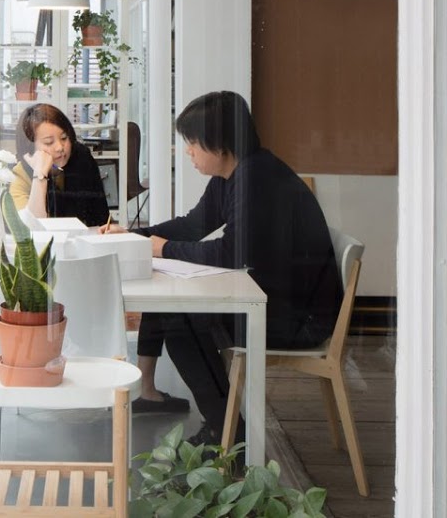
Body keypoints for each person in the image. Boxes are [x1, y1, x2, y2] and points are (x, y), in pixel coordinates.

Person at [104, 91, 341, 444]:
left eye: (193, 143)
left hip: (298, 319)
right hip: (277, 300)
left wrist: (164, 248)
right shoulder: (235, 173)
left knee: (181, 320)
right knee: (169, 304)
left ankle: (228, 435)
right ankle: (223, 424)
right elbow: (193, 226)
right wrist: (135, 236)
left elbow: (234, 253)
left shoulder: (256, 178)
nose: (188, 151)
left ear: (219, 144)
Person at [8, 103, 111, 228]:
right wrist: (40, 175)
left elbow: (101, 217)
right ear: (29, 147)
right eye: (49, 142)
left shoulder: (81, 157)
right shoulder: (20, 174)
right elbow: (32, 229)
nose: (60, 147)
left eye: (64, 138)